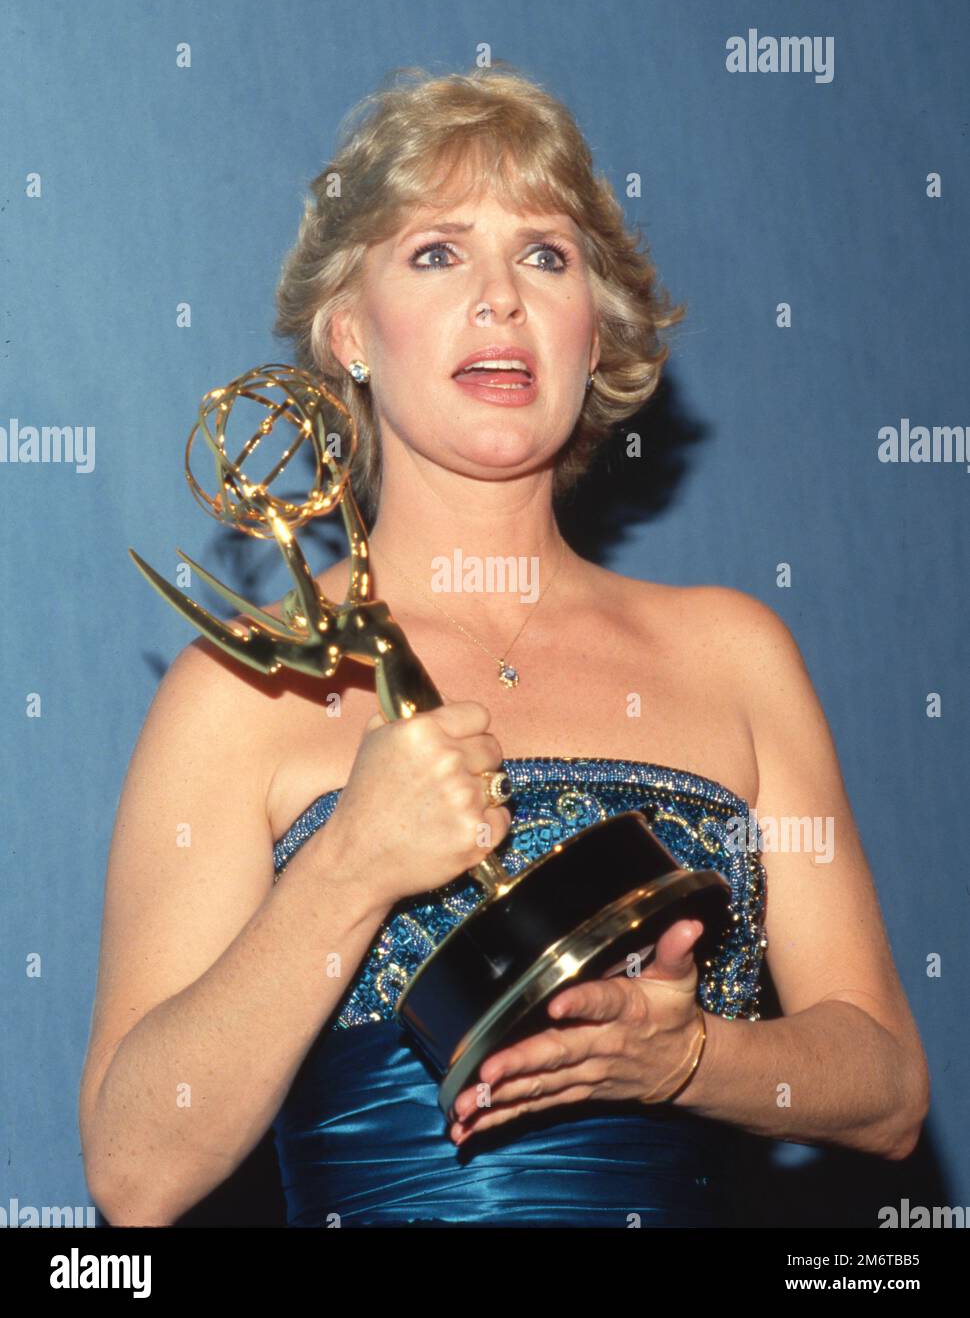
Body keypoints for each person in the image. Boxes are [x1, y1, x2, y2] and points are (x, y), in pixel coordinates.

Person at [78, 64, 929, 1229]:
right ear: (348, 332)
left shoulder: (734, 654)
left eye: (545, 254)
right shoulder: (237, 688)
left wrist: (690, 1061)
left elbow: (885, 1089)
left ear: (597, 334)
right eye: (436, 253)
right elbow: (135, 1168)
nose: (500, 300)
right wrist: (349, 864)